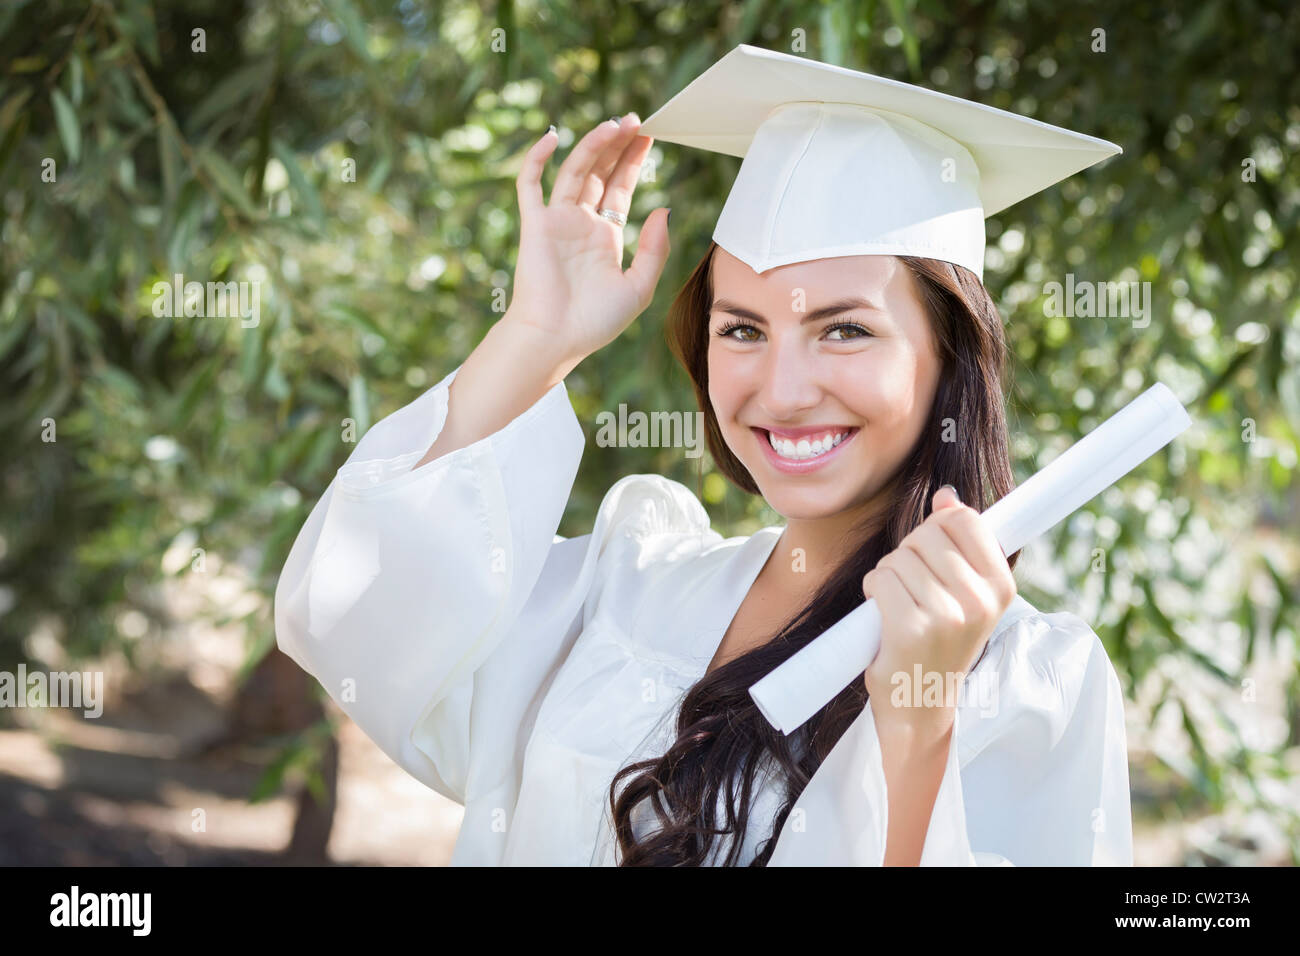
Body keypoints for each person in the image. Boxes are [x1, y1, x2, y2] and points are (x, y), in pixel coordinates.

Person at [274, 45, 1133, 866]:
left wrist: (921, 717)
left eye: (845, 330)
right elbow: (356, 622)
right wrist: (537, 336)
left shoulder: (1033, 682)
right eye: (742, 330)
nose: (784, 389)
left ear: (950, 357)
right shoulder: (630, 585)